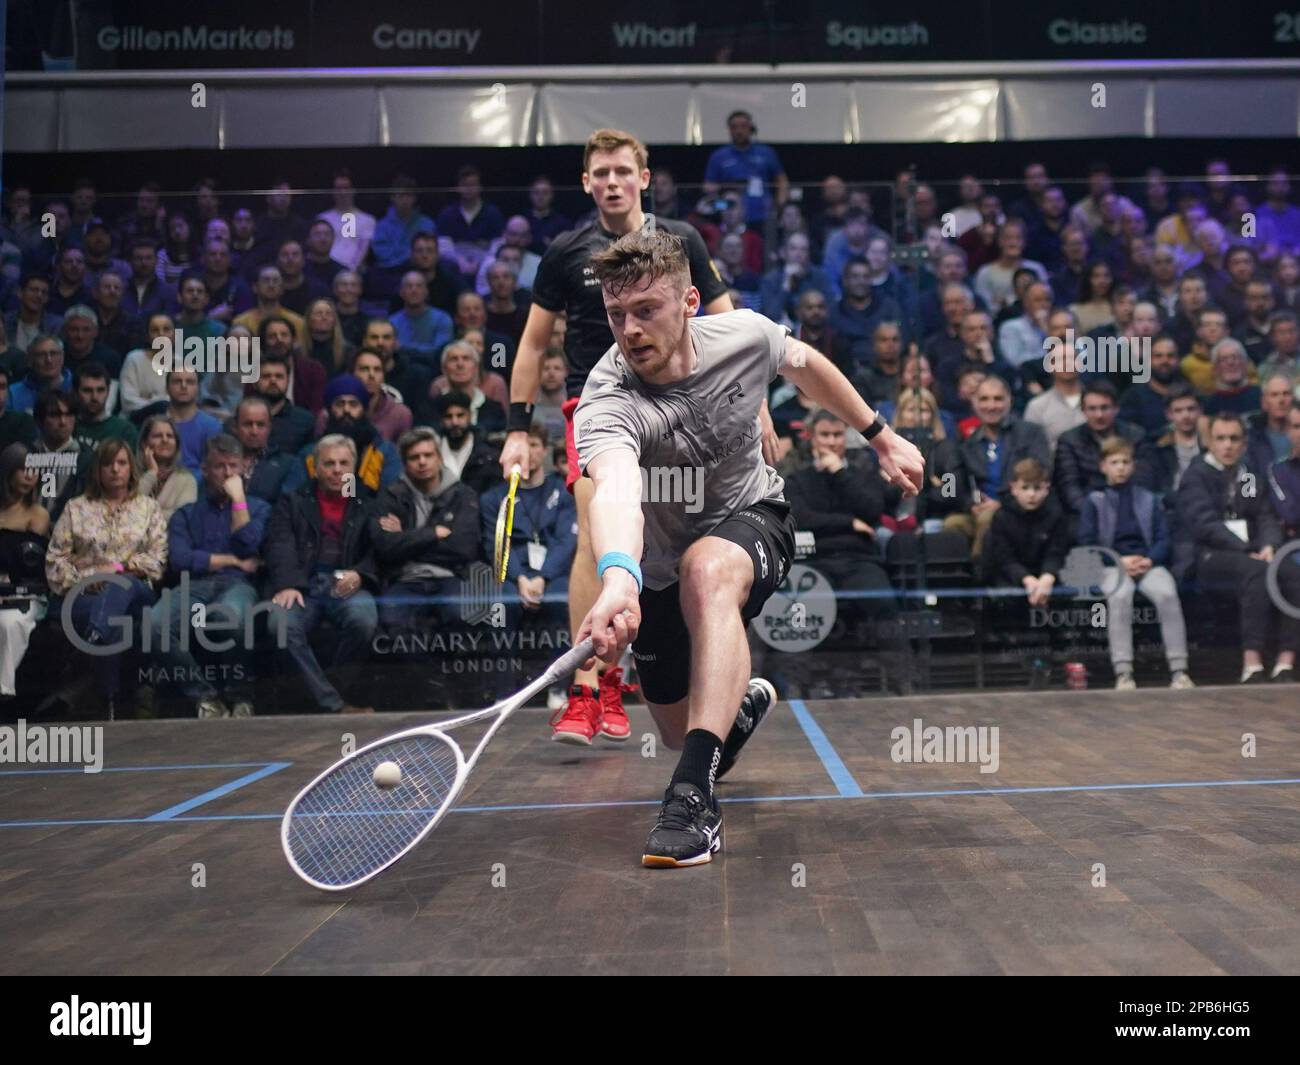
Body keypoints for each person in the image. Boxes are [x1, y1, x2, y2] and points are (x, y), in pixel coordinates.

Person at [570, 227, 923, 866]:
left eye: (647, 310)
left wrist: (881, 435)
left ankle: (691, 805)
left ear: (690, 303)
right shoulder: (605, 401)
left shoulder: (746, 335)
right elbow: (615, 489)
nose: (630, 330)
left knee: (706, 568)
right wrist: (619, 577)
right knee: (680, 731)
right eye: (617, 315)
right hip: (652, 566)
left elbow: (806, 364)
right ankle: (727, 725)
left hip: (753, 518)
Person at [498, 129, 739, 745]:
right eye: (599, 172)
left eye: (621, 172)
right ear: (586, 182)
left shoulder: (679, 241)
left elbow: (726, 319)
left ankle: (691, 680)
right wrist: (517, 431)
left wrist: (754, 408)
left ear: (643, 177)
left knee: (684, 538)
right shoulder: (564, 252)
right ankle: (590, 684)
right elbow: (531, 344)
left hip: (679, 401)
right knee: (593, 527)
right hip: (595, 402)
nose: (611, 182)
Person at [45, 439, 167, 718]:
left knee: (119, 586)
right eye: (107, 464)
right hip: (83, 596)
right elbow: (55, 561)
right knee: (115, 624)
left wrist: (118, 568)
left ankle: (94, 637)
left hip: (136, 593)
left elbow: (157, 561)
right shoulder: (76, 508)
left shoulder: (147, 507)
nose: (115, 470)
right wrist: (87, 581)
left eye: (122, 463)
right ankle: (110, 700)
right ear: (97, 470)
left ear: (131, 469)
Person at [1177, 412, 1300, 682]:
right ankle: (1252, 662)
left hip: (1252, 553)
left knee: (1292, 573)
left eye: (1234, 439)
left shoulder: (1248, 477)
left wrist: (1269, 544)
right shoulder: (1196, 475)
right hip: (1211, 557)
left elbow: (1265, 515)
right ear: (1209, 442)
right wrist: (1245, 549)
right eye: (1221, 438)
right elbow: (1206, 526)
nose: (1228, 445)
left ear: (1244, 444)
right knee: (1256, 571)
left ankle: (1285, 661)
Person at [153, 434, 271, 718]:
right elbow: (181, 561)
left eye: (234, 466)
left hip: (237, 585)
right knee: (154, 625)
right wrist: (231, 560)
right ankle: (205, 697)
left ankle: (241, 695)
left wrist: (239, 499)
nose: (228, 474)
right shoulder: (185, 513)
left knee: (229, 617)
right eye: (220, 467)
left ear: (243, 468)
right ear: (205, 469)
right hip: (193, 586)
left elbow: (249, 544)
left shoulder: (259, 508)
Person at [265, 434, 380, 714]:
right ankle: (332, 703)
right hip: (303, 584)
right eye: (329, 464)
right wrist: (289, 584)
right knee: (279, 624)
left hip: (347, 584)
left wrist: (361, 574)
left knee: (364, 619)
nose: (337, 470)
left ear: (354, 468)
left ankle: (326, 692)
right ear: (314, 468)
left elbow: (380, 549)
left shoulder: (368, 502)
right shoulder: (292, 501)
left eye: (344, 463)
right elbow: (279, 544)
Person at [1079, 436, 1193, 691]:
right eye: (1114, 462)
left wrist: (1150, 559)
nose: (1120, 467)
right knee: (1120, 596)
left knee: (1167, 594)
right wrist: (1118, 561)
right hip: (1111, 565)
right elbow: (1087, 543)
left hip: (1147, 562)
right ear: (1103, 466)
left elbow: (1164, 537)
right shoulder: (1094, 501)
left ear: (1133, 466)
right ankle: (1123, 672)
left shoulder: (1149, 499)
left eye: (1125, 462)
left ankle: (1179, 669)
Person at [370, 426, 482, 631]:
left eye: (428, 455)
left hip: (451, 576)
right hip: (404, 578)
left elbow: (463, 548)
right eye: (414, 457)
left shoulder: (463, 495)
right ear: (404, 463)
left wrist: (405, 539)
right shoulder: (392, 496)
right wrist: (433, 534)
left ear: (439, 458)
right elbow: (385, 548)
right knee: (391, 622)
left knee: (463, 617)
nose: (422, 462)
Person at [479, 424, 577, 645]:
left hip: (553, 573)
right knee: (501, 604)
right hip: (512, 573)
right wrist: (521, 579)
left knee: (562, 600)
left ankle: (563, 678)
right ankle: (502, 676)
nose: (528, 452)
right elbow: (496, 543)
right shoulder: (493, 498)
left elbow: (566, 540)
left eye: (533, 445)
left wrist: (543, 578)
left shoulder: (564, 492)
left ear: (544, 450)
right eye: (521, 446)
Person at [981, 457, 1068, 617]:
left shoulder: (1057, 514)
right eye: (1025, 488)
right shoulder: (1001, 517)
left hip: (1046, 575)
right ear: (1014, 488)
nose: (1031, 494)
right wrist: (1027, 579)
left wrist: (1047, 578)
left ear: (1047, 488)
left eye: (1037, 488)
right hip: (1010, 576)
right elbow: (1003, 558)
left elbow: (1057, 552)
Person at [0, 442, 51, 696]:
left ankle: (4, 692)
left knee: (8, 622)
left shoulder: (37, 514)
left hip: (24, 594)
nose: (30, 475)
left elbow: (27, 563)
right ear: (8, 471)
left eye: (35, 470)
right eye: (23, 469)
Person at [137, 414, 199, 521]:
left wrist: (143, 514)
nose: (165, 440)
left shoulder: (187, 480)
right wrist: (151, 473)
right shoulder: (132, 474)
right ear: (144, 443)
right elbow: (128, 510)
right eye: (157, 436)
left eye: (170, 436)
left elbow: (181, 518)